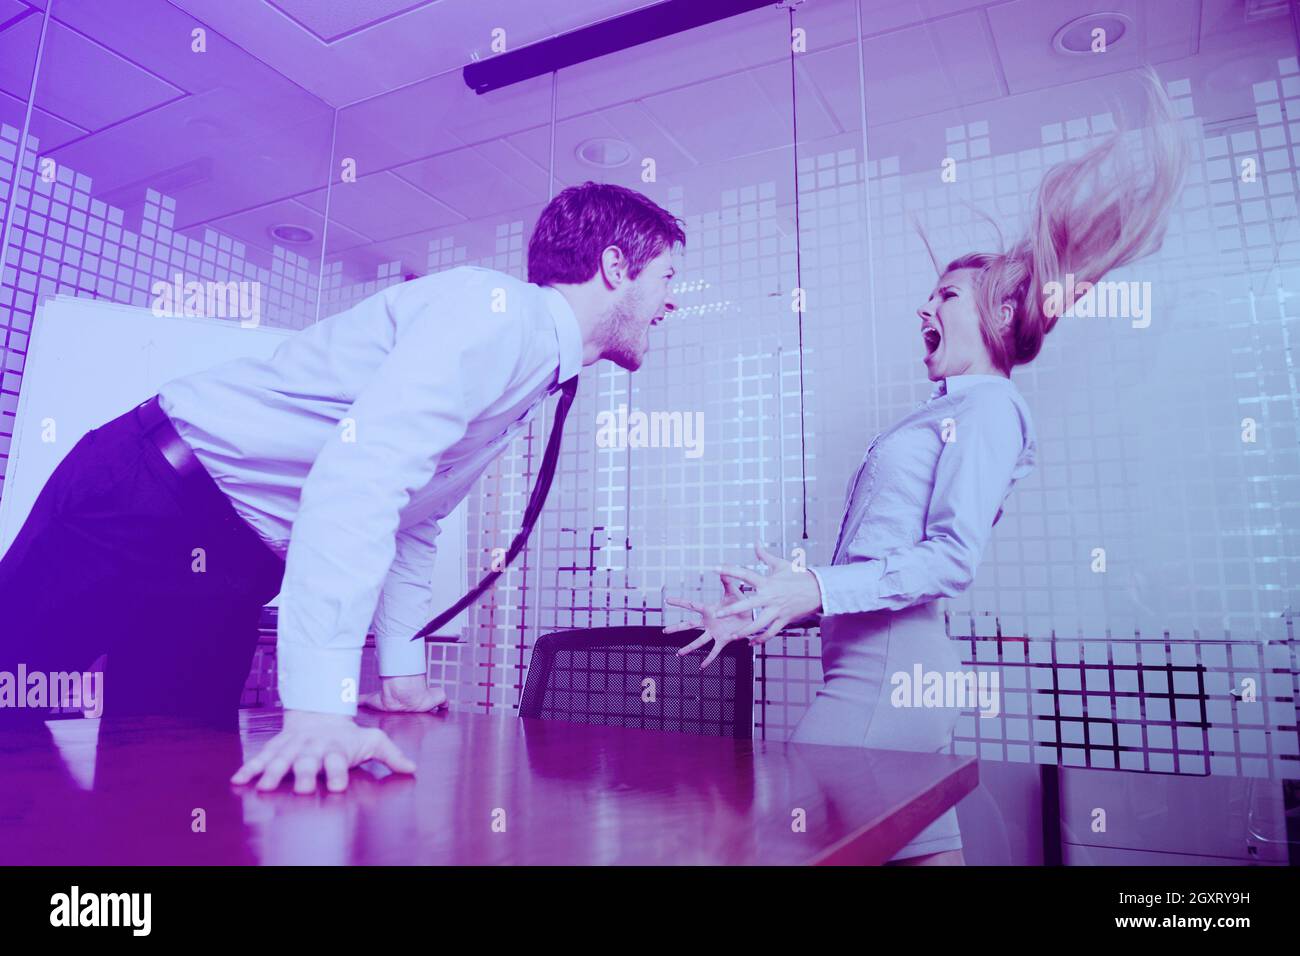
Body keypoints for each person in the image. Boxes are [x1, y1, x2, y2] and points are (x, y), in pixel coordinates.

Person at [0, 181, 683, 794]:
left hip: (224, 569)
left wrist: (403, 676)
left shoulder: (530, 364)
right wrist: (321, 710)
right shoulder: (497, 317)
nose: (670, 300)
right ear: (616, 267)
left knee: (171, 792)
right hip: (139, 496)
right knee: (9, 706)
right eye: (665, 277)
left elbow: (414, 518)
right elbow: (359, 478)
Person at [666, 70, 1186, 864]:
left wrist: (814, 586)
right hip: (882, 665)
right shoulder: (945, 412)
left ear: (1000, 312)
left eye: (943, 294)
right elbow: (883, 562)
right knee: (920, 849)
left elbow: (950, 559)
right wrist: (781, 605)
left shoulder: (990, 408)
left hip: (884, 673)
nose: (925, 308)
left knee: (779, 846)